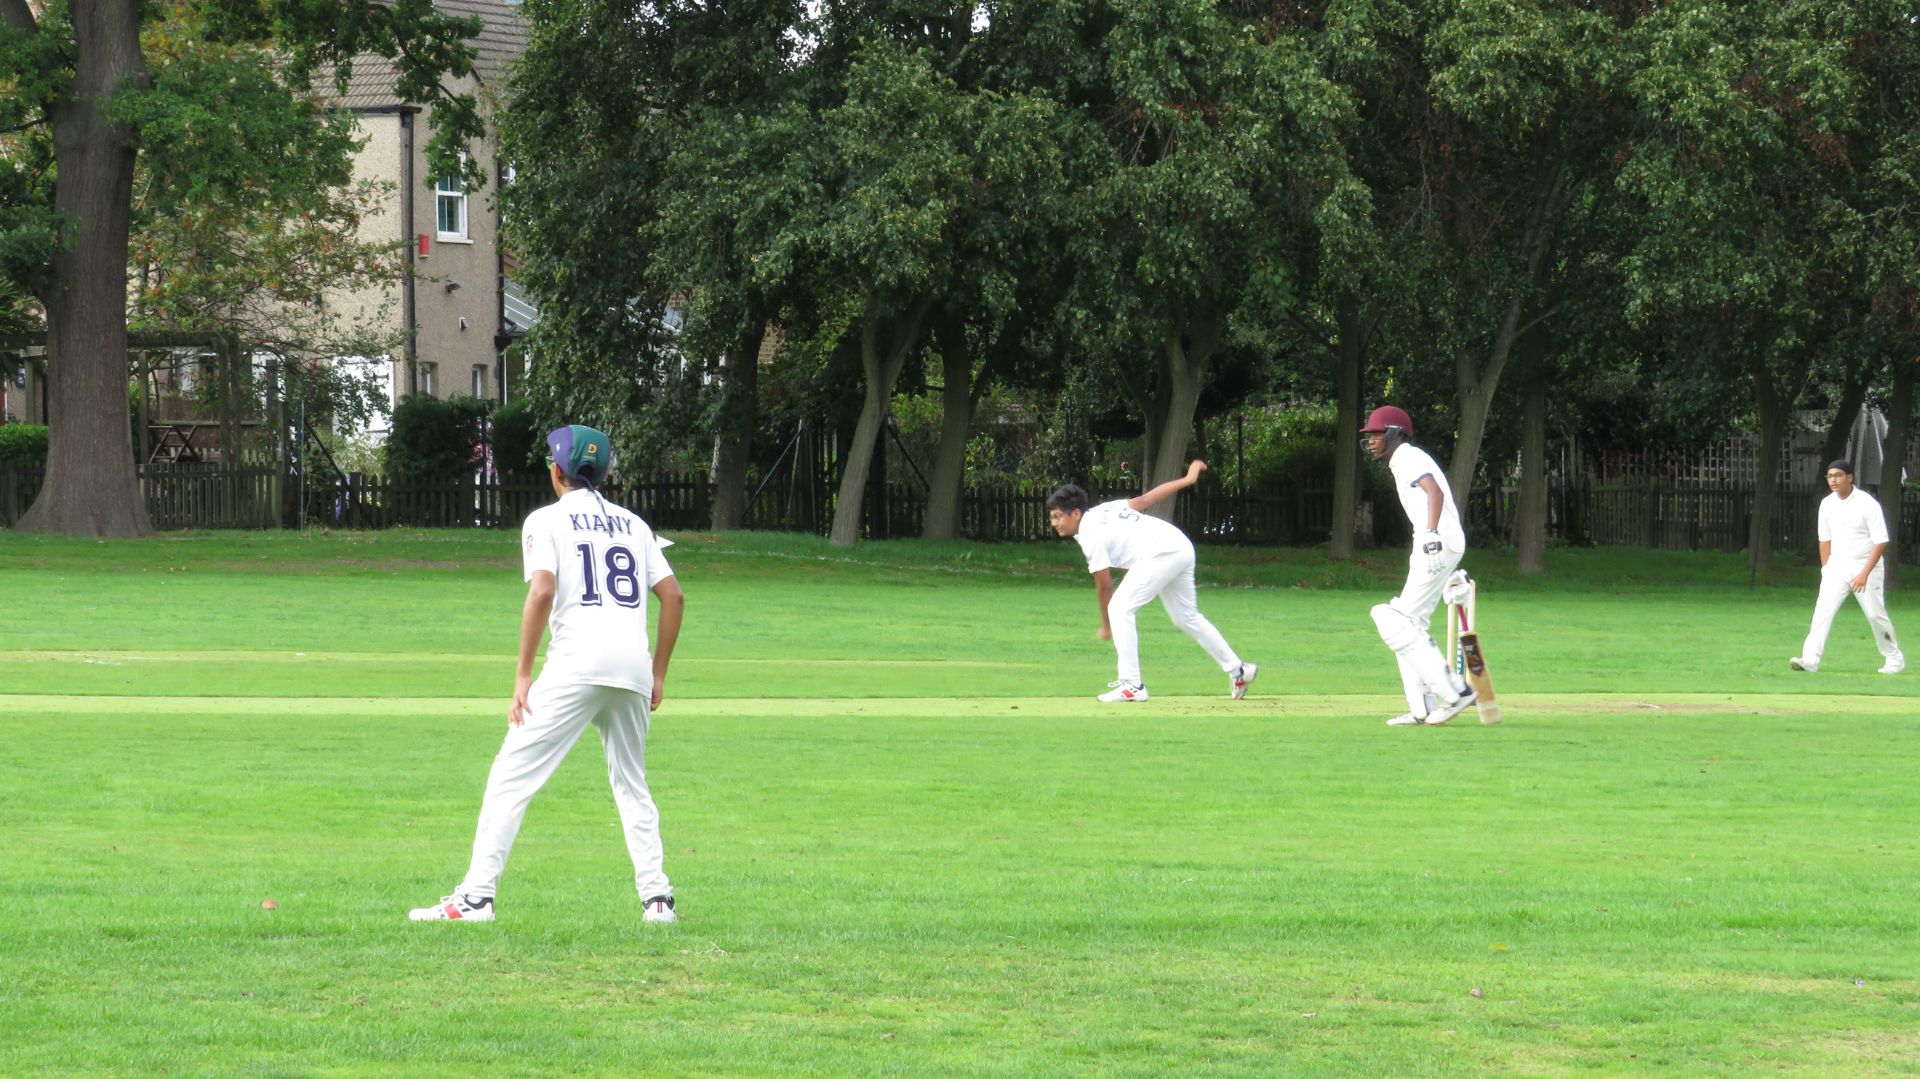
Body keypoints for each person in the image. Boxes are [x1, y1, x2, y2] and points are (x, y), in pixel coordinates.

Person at [410, 424, 687, 923]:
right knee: (631, 784)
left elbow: (541, 592)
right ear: (601, 473)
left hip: (576, 665)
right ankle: (658, 900)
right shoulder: (635, 524)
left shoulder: (545, 519)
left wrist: (521, 677)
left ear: (557, 472)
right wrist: (658, 673)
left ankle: (476, 898)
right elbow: (674, 596)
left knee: (511, 778)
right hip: (632, 669)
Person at [1046, 460, 1256, 702]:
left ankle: (1132, 685)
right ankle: (1239, 670)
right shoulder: (1102, 510)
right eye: (1052, 518)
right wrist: (1186, 480)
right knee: (1185, 617)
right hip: (1180, 546)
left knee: (1120, 607)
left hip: (1161, 552)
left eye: (1058, 517)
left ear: (1075, 513)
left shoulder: (1090, 534)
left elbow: (1104, 586)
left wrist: (1107, 626)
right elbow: (1145, 500)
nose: (1054, 524)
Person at [1360, 405, 1476, 726]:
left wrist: (1430, 533)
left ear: (1395, 433)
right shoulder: (1402, 460)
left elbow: (1433, 491)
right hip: (1434, 543)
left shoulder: (1408, 457)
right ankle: (1421, 709)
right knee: (1409, 624)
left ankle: (1455, 693)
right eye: (1369, 436)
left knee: (1394, 621)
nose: (1371, 440)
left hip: (1434, 542)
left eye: (1377, 434)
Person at [1790, 459, 1904, 675]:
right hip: (1837, 567)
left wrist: (1863, 574)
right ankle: (1809, 660)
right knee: (1823, 611)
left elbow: (1881, 541)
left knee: (1874, 614)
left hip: (1866, 566)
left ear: (1849, 478)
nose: (1833, 480)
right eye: (1830, 476)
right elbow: (1824, 540)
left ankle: (1894, 658)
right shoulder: (1827, 504)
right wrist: (1826, 570)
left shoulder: (1867, 504)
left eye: (1838, 475)